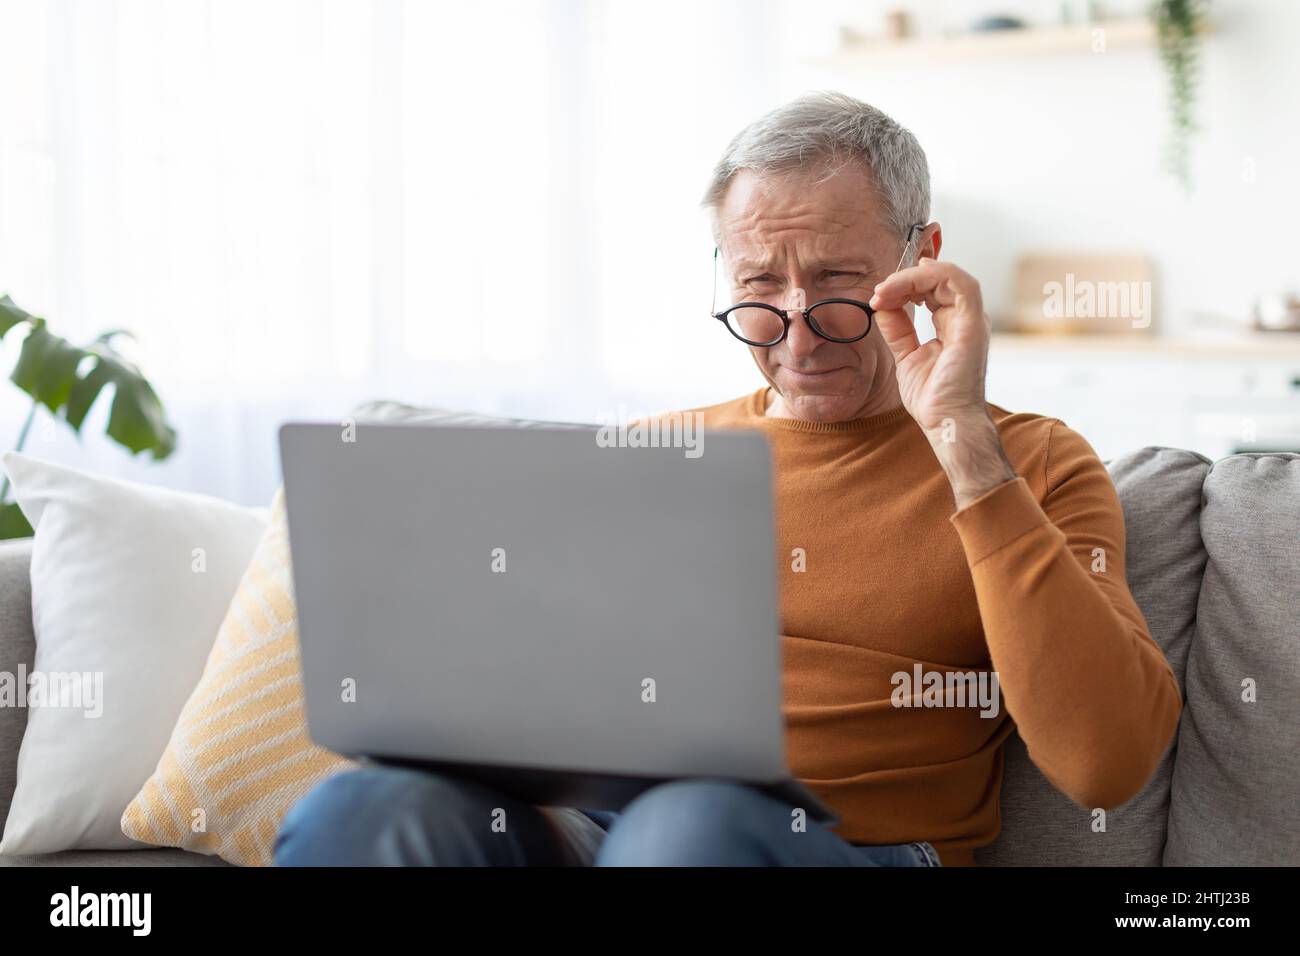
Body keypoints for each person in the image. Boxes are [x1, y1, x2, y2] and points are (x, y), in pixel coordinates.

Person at [275, 91, 1181, 867]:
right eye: (758, 287)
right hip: (607, 831)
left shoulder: (1033, 460)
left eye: (837, 282)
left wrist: (962, 443)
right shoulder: (652, 451)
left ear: (922, 255)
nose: (794, 332)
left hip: (849, 849)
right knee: (364, 808)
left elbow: (1105, 762)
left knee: (688, 826)